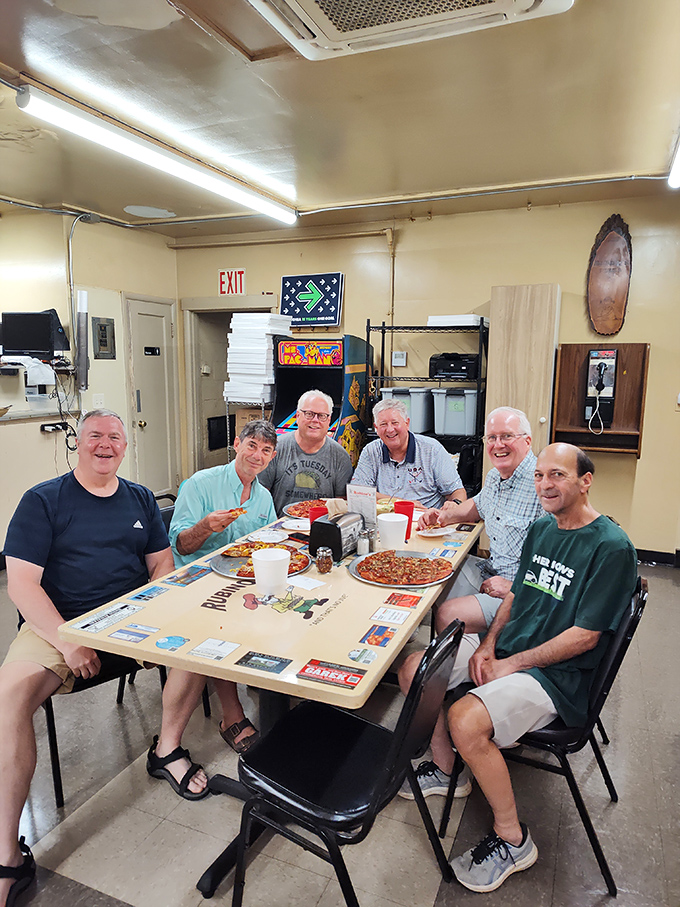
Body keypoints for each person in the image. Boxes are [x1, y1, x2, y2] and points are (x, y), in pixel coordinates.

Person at [401, 443, 637, 893]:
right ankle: (447, 769)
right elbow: (515, 596)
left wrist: (513, 663)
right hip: (513, 651)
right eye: (540, 475)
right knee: (417, 668)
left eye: (558, 475)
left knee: (463, 718)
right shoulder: (543, 531)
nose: (545, 484)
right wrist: (489, 646)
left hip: (556, 675)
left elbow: (585, 637)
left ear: (585, 481)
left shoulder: (611, 546)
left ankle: (513, 839)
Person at [0, 410, 206, 907]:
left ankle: (167, 752)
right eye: (95, 435)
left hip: (129, 623)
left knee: (202, 649)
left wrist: (163, 610)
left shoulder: (138, 498)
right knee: (7, 702)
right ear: (79, 443)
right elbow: (22, 585)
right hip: (58, 625)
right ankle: (7, 854)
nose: (105, 445)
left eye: (114, 437)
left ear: (124, 446)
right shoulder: (43, 500)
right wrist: (68, 641)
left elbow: (161, 564)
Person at [168, 419, 277, 752]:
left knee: (285, 608)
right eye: (252, 445)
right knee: (223, 625)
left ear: (272, 457)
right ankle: (232, 714)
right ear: (236, 443)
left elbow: (271, 543)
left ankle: (275, 693)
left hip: (240, 582)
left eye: (266, 450)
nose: (257, 455)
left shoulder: (263, 498)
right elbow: (181, 545)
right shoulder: (201, 484)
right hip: (194, 582)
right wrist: (205, 526)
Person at [419, 407, 544, 636]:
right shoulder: (496, 476)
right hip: (490, 572)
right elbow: (478, 505)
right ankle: (468, 644)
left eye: (507, 436)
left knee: (448, 613)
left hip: (523, 595)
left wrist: (512, 588)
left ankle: (462, 665)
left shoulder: (542, 487)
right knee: (431, 572)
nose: (498, 445)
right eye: (492, 438)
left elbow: (563, 564)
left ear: (527, 441)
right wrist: (445, 515)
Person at [351, 398, 466, 509]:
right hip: (386, 519)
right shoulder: (371, 451)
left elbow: (457, 491)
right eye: (383, 424)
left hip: (427, 521)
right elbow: (358, 493)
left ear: (407, 423)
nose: (390, 429)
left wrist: (455, 504)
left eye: (395, 423)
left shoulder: (432, 449)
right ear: (376, 428)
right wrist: (403, 504)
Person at [258, 390, 353, 515]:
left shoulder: (340, 457)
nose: (315, 420)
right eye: (309, 414)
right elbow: (260, 495)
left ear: (329, 420)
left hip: (323, 528)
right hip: (280, 529)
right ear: (297, 416)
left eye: (322, 416)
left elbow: (341, 504)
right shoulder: (276, 448)